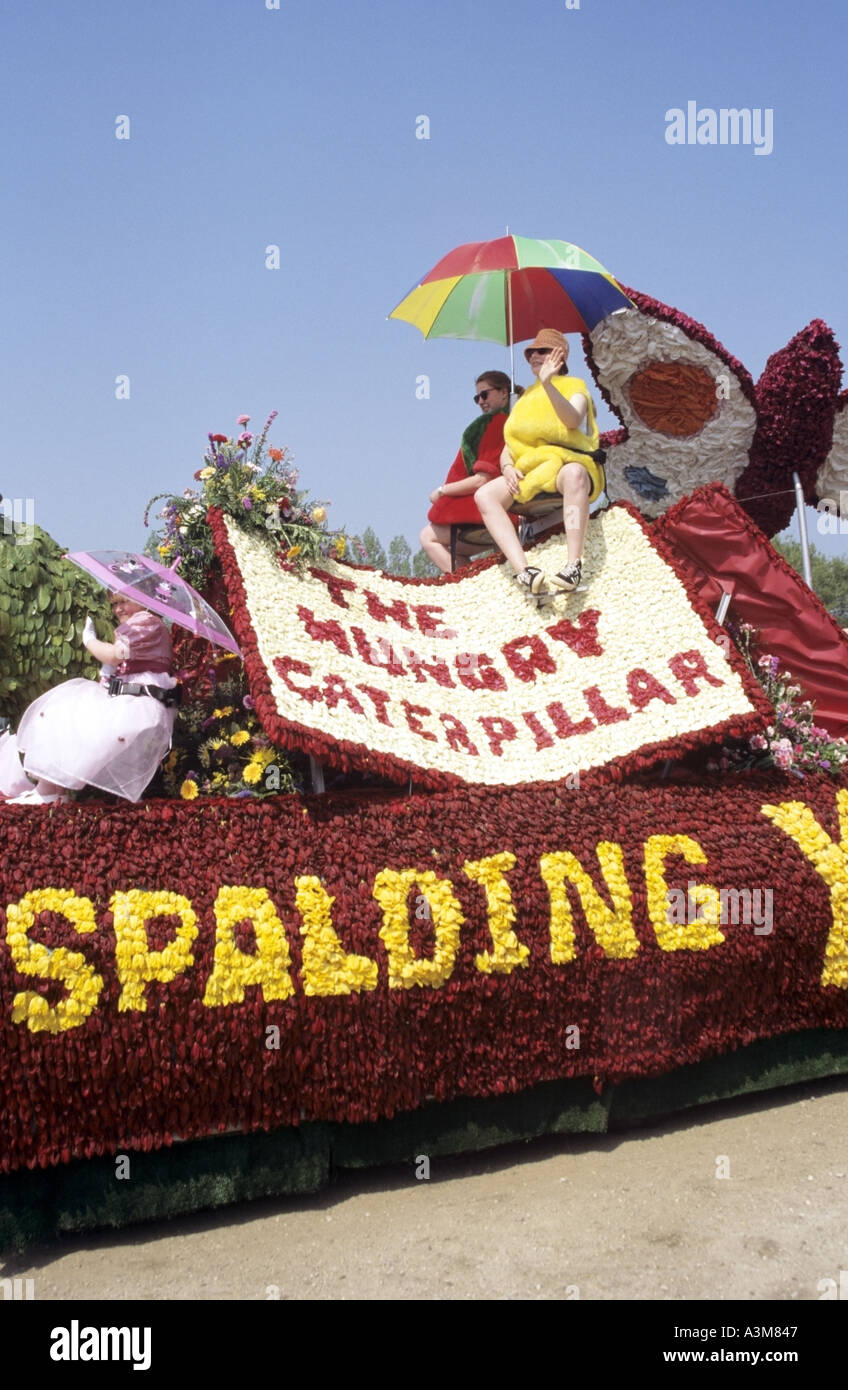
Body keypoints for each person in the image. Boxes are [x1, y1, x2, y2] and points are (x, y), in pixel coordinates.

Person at [0, 592, 179, 804]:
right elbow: (125, 669)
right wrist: (110, 676)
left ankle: (49, 790)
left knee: (68, 709)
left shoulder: (146, 622)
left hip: (141, 705)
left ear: (143, 599)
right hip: (135, 698)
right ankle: (53, 789)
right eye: (115, 604)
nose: (118, 609)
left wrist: (90, 641)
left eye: (124, 601)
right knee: (68, 711)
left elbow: (116, 654)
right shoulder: (140, 625)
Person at [475, 328, 604, 594]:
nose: (534, 355)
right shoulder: (523, 399)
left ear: (560, 356)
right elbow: (510, 445)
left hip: (567, 463)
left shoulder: (575, 386)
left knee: (575, 474)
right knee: (485, 495)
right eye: (531, 352)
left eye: (542, 350)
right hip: (530, 471)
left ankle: (573, 566)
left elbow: (572, 420)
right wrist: (508, 468)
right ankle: (524, 571)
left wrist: (548, 384)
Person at [419, 370, 519, 573]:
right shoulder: (509, 423)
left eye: (485, 394)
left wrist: (442, 490)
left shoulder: (496, 424)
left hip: (484, 511)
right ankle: (477, 582)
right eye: (477, 397)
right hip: (499, 512)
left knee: (428, 536)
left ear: (504, 393)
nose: (481, 401)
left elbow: (482, 480)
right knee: (455, 552)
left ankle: (470, 584)